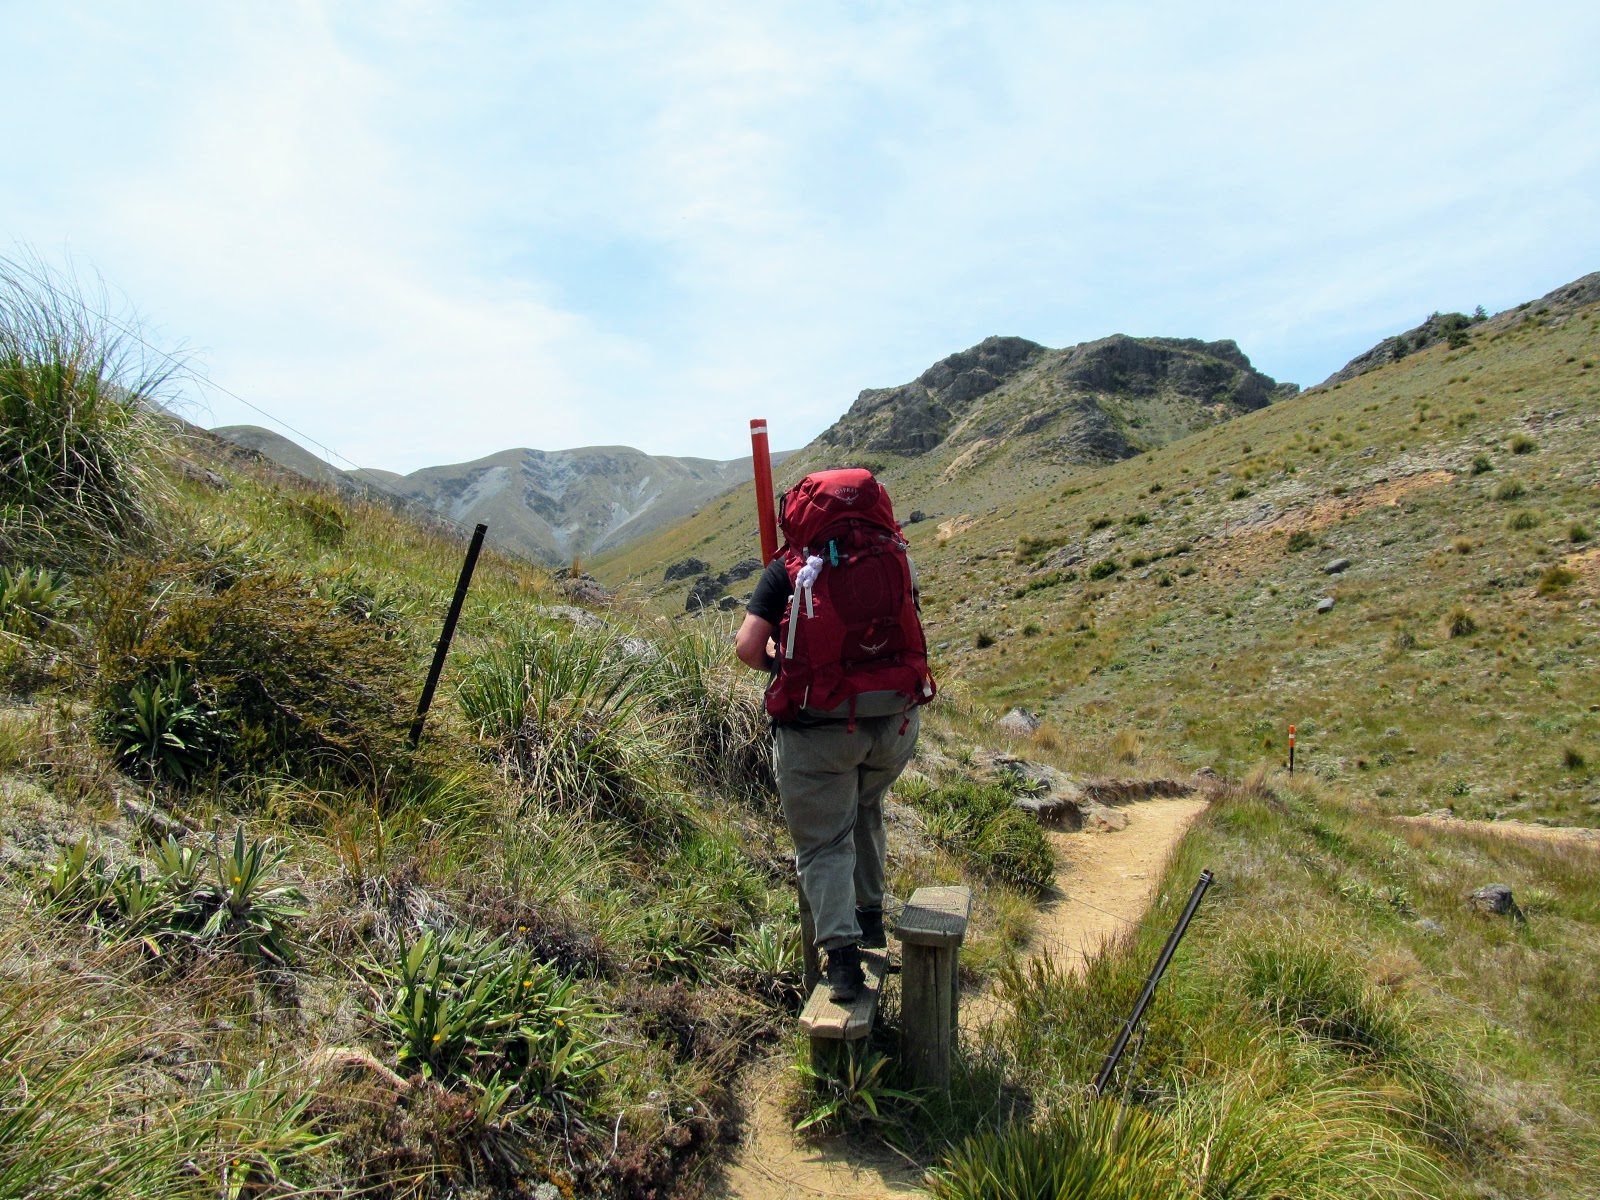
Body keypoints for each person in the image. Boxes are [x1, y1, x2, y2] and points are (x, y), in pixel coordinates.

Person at [733, 469, 932, 1002]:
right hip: (893, 725)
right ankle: (871, 919)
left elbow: (749, 648)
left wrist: (781, 657)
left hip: (819, 728)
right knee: (865, 805)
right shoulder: (893, 555)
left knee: (823, 841)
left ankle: (841, 961)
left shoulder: (790, 568)